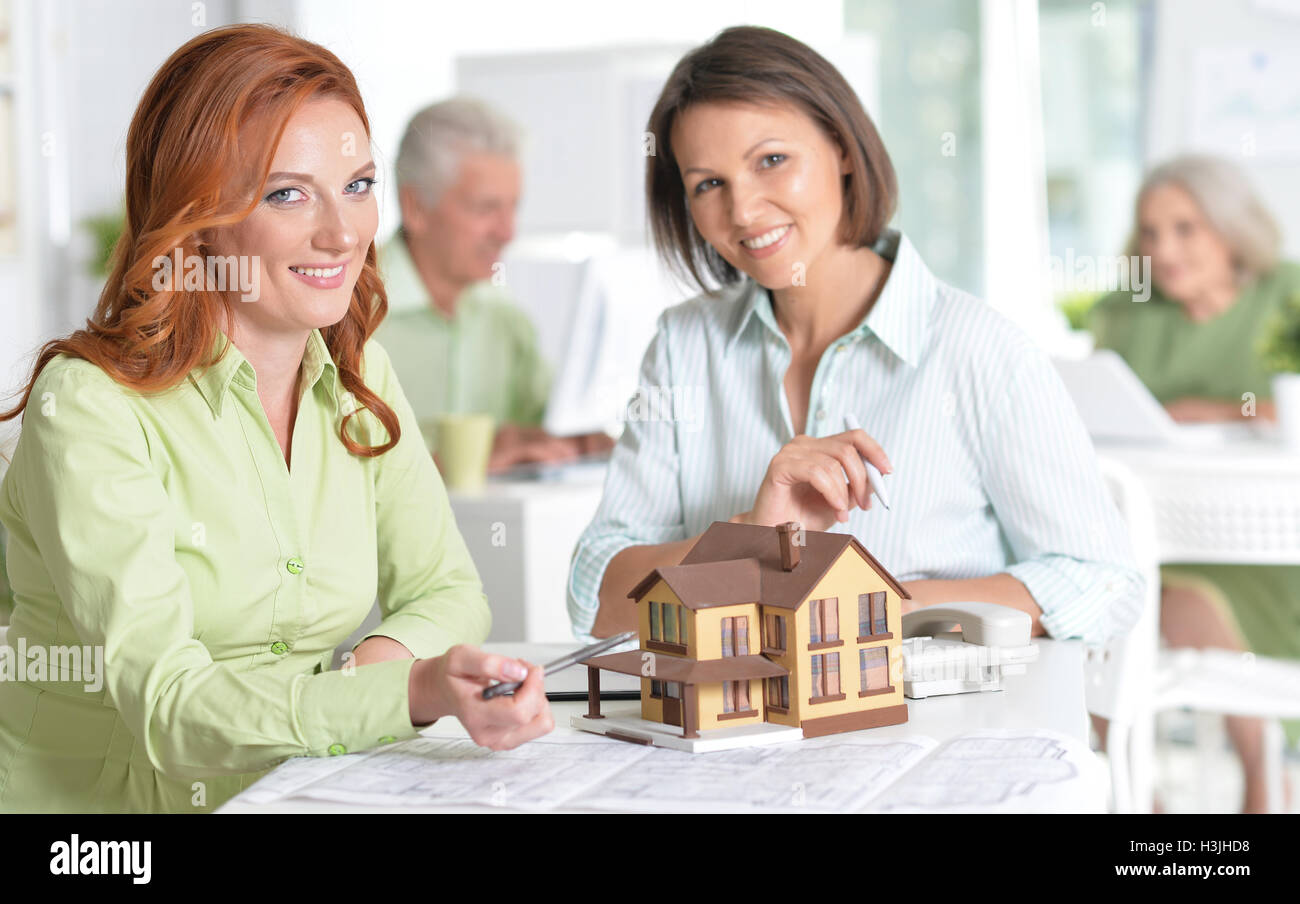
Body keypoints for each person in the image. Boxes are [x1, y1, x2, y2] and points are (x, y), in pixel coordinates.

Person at [0, 25, 552, 814]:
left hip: (296, 791)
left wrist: (368, 677)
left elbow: (448, 591)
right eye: (286, 193)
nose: (342, 232)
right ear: (197, 215)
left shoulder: (361, 375)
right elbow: (169, 706)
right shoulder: (89, 406)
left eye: (359, 185)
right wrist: (408, 691)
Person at [567, 26, 1143, 652]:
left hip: (940, 730)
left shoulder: (980, 349)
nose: (744, 211)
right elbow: (596, 597)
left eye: (771, 161)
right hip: (733, 737)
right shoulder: (683, 346)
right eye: (709, 184)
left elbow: (1101, 581)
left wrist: (867, 607)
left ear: (841, 148)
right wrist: (749, 540)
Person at [1089, 154, 1300, 812]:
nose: (1165, 250)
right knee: (1088, 602)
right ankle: (1134, 796)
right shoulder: (1127, 313)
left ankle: (1263, 774)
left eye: (1186, 229)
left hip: (1267, 539)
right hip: (1144, 531)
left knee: (1184, 598)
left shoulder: (1285, 296)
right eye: (1150, 233)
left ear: (1232, 228)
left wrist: (1211, 411)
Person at [375, 97, 615, 474]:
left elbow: (560, 429)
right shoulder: (342, 315)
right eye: (486, 209)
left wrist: (584, 440)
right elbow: (316, 476)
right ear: (415, 208)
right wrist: (460, 462)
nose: (508, 232)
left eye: (513, 207)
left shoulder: (506, 321)